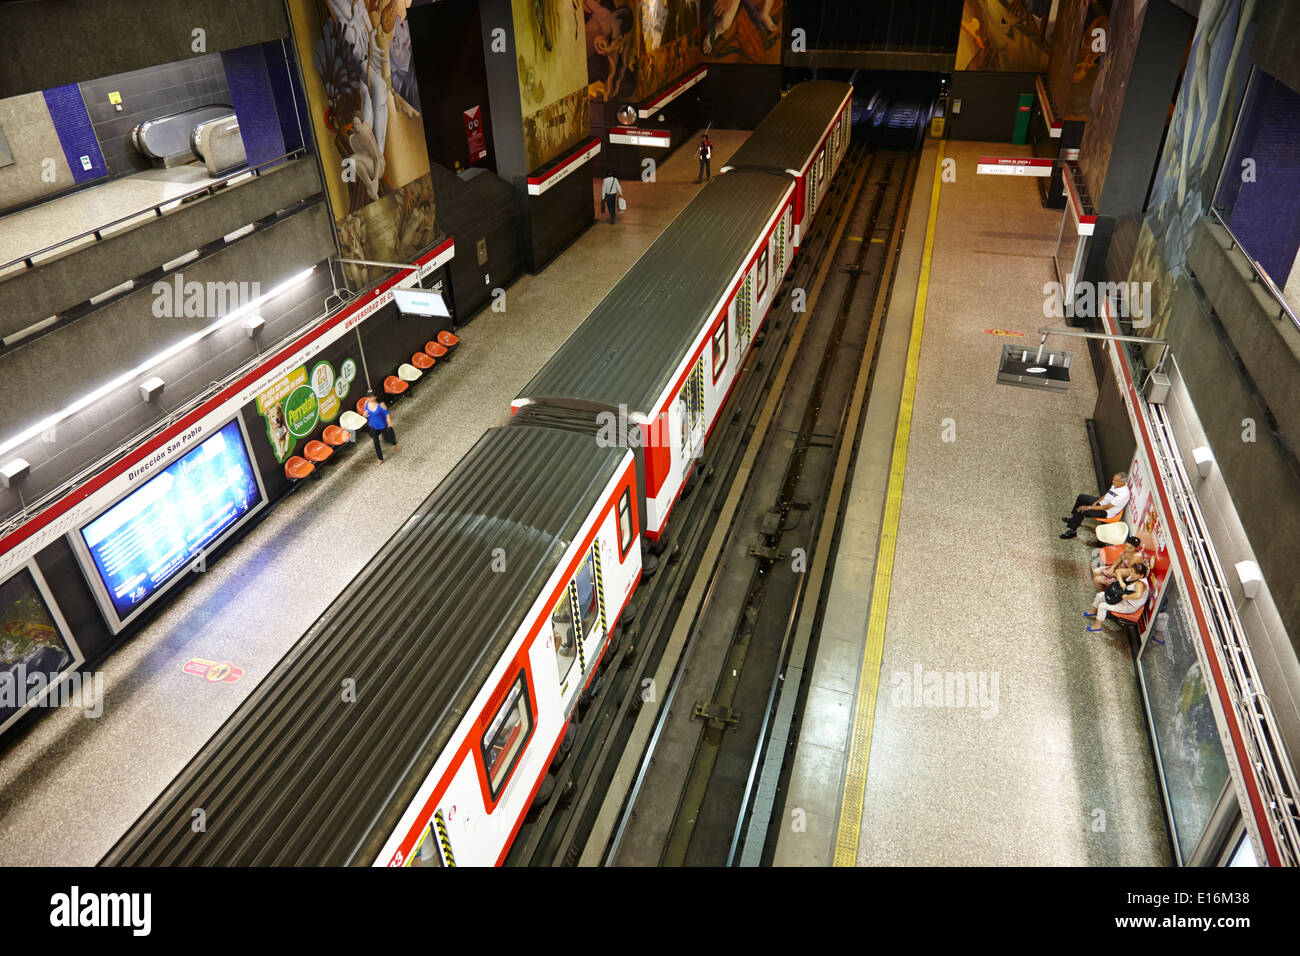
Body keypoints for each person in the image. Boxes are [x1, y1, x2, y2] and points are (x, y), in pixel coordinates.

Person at [1060, 472, 1130, 538]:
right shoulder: (1116, 485)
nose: (1113, 482)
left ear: (1123, 483)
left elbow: (1106, 507)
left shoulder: (1123, 494)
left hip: (1106, 512)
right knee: (1081, 497)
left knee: (1082, 510)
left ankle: (1072, 531)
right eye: (1113, 480)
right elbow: (1107, 494)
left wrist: (1090, 507)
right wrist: (1097, 501)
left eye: (1116, 481)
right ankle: (1074, 519)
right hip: (1102, 503)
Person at [1085, 562, 1149, 630]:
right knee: (1099, 595)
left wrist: (1126, 597)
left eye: (1135, 573)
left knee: (1103, 606)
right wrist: (1121, 582)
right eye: (1132, 571)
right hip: (1123, 598)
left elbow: (1138, 595)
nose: (1132, 574)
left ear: (1141, 575)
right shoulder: (1132, 574)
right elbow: (1118, 571)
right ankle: (1093, 612)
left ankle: (1097, 626)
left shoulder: (1140, 583)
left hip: (1130, 606)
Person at [364, 391, 398, 464]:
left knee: (386, 438)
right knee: (376, 443)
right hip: (373, 426)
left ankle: (394, 443)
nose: (368, 398)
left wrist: (390, 424)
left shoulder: (381, 405)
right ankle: (380, 459)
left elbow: (387, 414)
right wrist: (365, 415)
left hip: (382, 425)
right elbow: (365, 412)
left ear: (375, 397)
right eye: (368, 396)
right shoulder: (366, 403)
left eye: (370, 396)